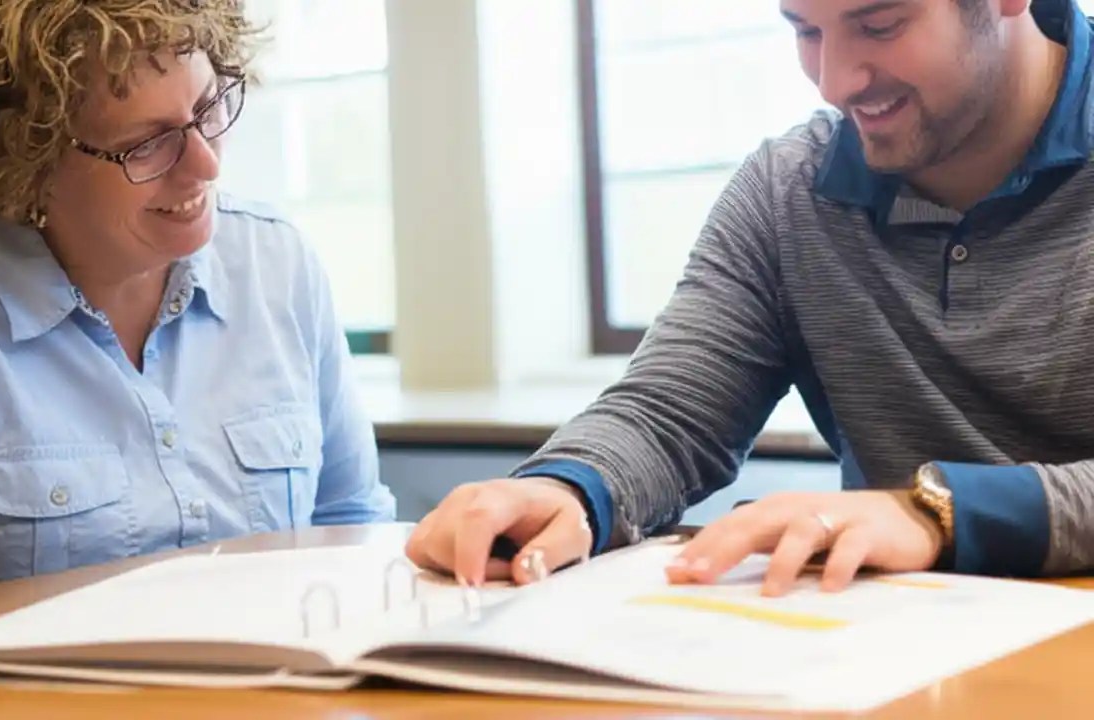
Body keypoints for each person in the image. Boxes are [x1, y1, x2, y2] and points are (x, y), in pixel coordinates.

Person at [408, 0, 1094, 597]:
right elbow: (670, 413)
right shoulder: (788, 189)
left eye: (879, 25)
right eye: (805, 31)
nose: (835, 82)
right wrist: (568, 490)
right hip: (907, 666)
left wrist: (936, 514)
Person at [0, 0, 396, 606]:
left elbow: (354, 532)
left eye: (207, 108)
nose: (206, 162)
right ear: (29, 155)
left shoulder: (279, 268)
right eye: (148, 143)